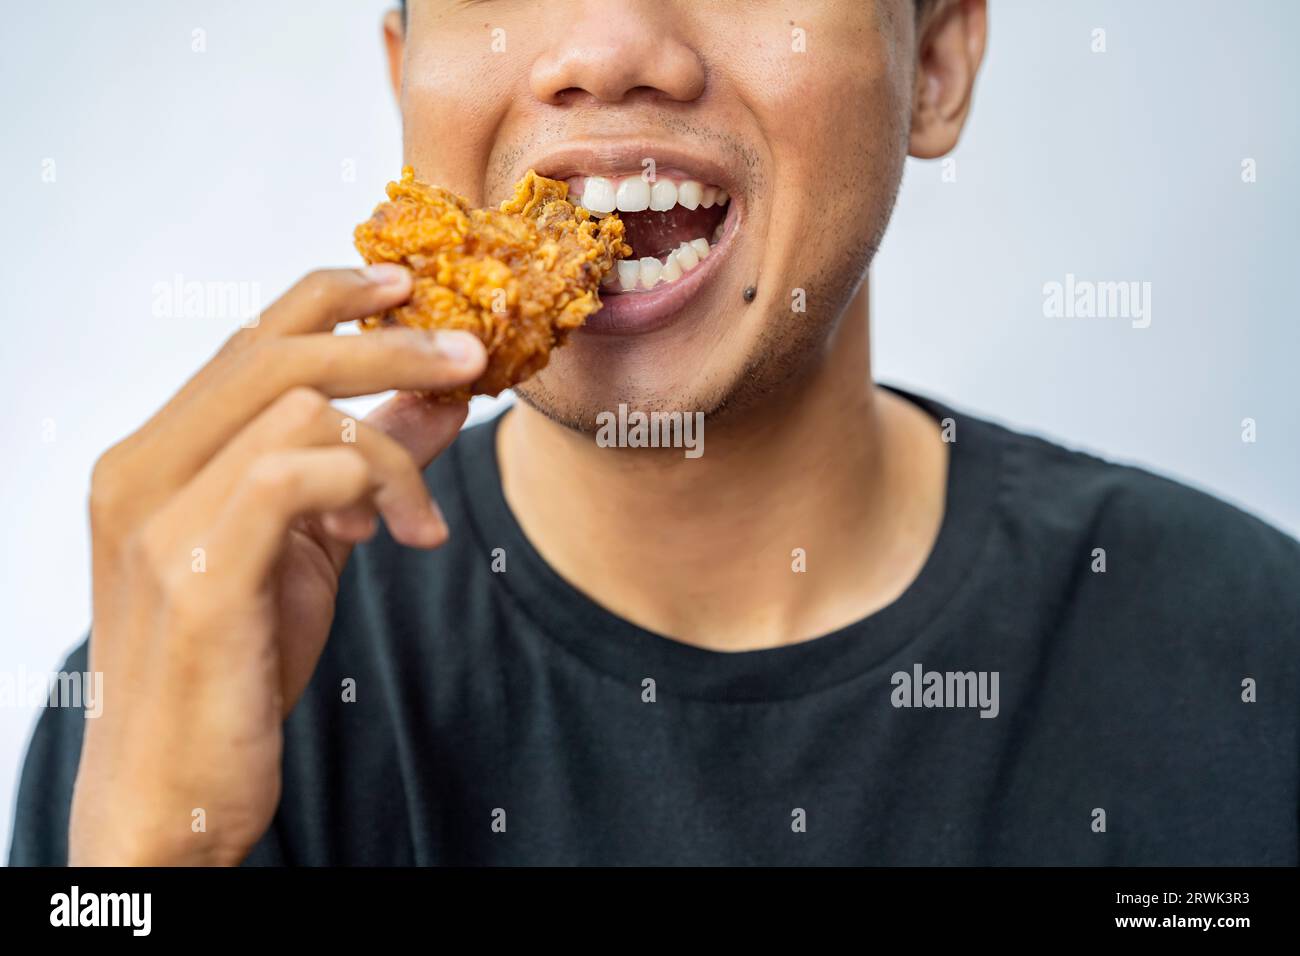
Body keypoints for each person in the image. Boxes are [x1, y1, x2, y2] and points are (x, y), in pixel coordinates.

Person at [10, 0, 1299, 866]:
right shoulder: (195, 661)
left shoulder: (1249, 647)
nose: (610, 45)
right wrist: (143, 855)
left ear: (939, 63)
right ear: (407, 80)